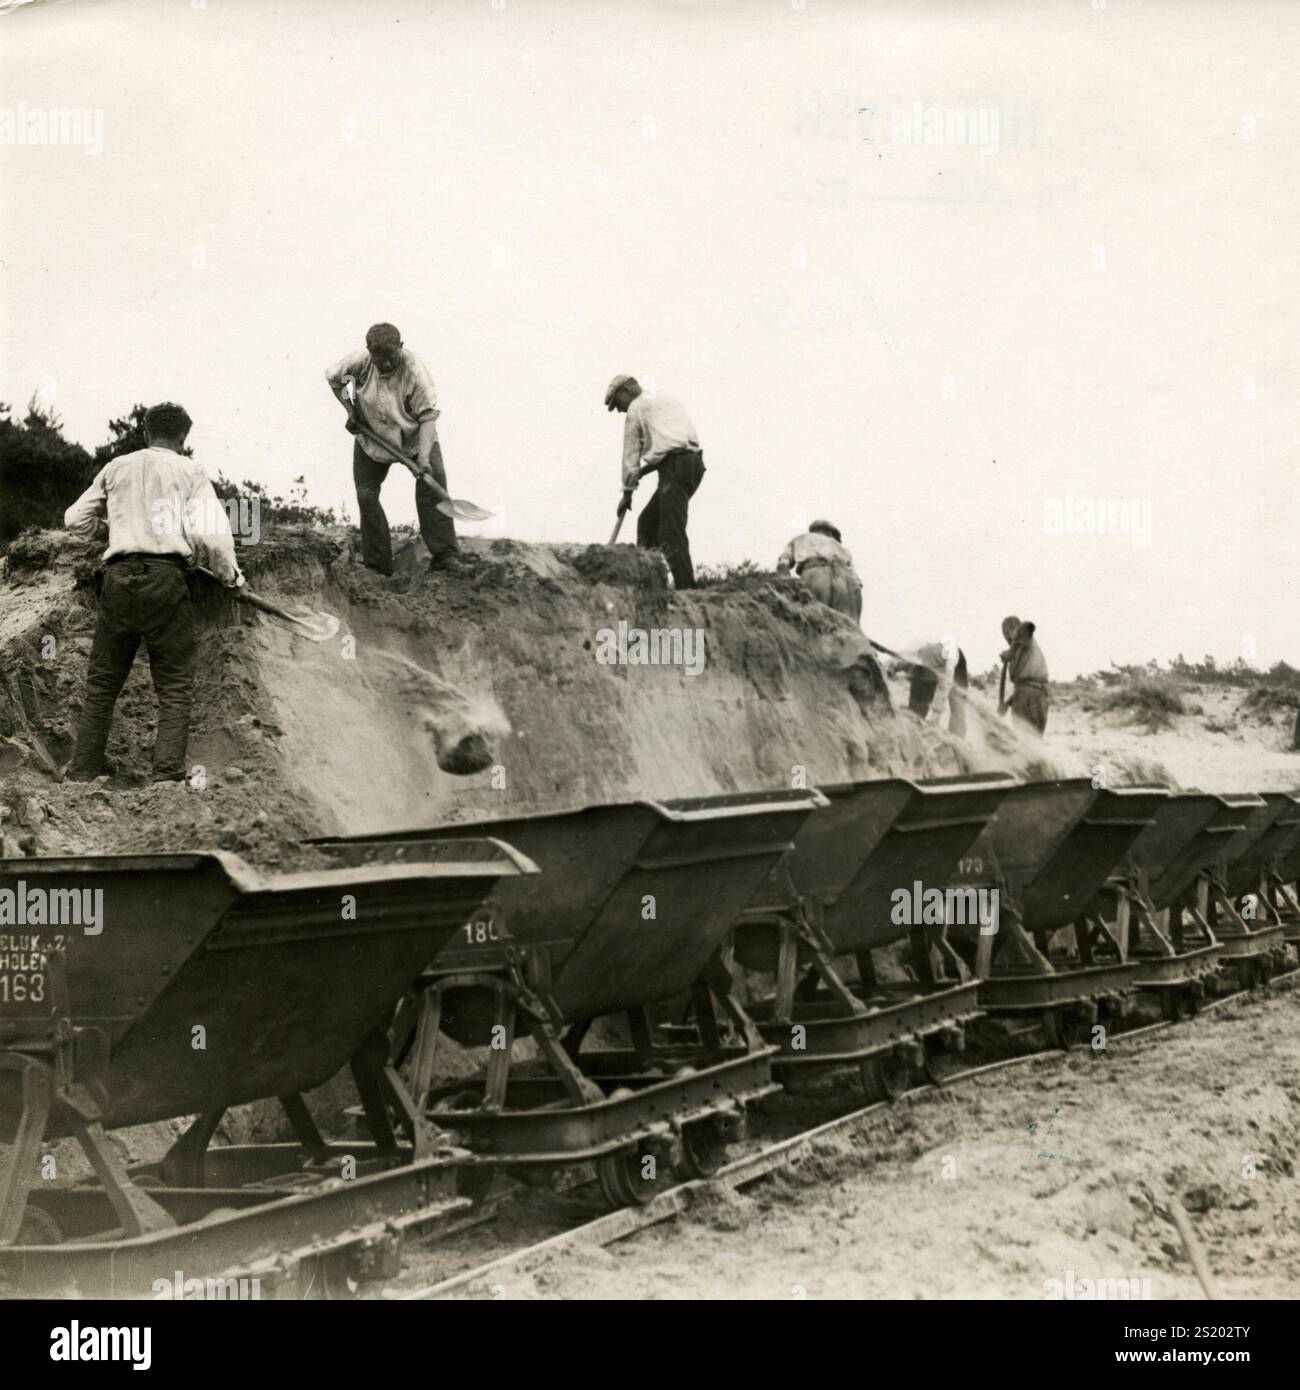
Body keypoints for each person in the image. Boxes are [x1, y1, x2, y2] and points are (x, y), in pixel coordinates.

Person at [63, 402, 244, 784]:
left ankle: (82, 772)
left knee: (103, 681)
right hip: (165, 579)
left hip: (118, 578)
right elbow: (213, 532)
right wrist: (230, 578)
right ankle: (165, 775)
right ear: (183, 439)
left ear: (146, 433)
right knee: (175, 683)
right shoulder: (189, 469)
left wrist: (110, 529)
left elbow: (73, 519)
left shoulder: (116, 467)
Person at [326, 323, 461, 576]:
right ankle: (378, 565)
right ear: (369, 351)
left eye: (392, 357)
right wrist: (351, 410)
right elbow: (337, 380)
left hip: (413, 435)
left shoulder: (415, 372)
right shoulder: (357, 364)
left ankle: (444, 554)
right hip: (372, 436)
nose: (387, 364)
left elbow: (428, 417)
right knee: (366, 494)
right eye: (380, 359)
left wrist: (423, 458)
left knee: (433, 481)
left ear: (401, 346)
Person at [607, 374, 705, 588]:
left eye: (617, 404)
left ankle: (686, 589)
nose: (620, 410)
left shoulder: (635, 408)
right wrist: (647, 470)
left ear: (627, 391)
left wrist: (627, 493)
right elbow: (677, 444)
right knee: (648, 523)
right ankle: (651, 585)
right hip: (692, 465)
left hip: (675, 469)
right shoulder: (666, 400)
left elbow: (630, 455)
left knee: (670, 531)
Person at [776, 520, 863, 623]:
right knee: (846, 624)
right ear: (830, 533)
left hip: (816, 574)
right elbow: (857, 583)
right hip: (845, 580)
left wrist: (784, 579)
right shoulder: (842, 549)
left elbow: (784, 561)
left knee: (816, 620)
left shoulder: (801, 538)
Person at [902, 639, 969, 737]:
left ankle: (957, 739)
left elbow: (946, 685)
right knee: (916, 707)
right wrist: (889, 669)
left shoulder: (951, 656)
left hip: (956, 669)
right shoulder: (917, 649)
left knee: (957, 704)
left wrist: (937, 712)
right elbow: (899, 660)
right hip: (926, 665)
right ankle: (915, 730)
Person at [999, 615, 1049, 736]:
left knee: (1031, 739)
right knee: (1029, 741)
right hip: (1032, 695)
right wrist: (1007, 703)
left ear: (1011, 629)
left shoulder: (1025, 636)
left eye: (1006, 633)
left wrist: (1010, 652)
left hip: (1039, 696)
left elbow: (1027, 626)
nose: (1006, 638)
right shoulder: (1018, 650)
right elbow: (1022, 686)